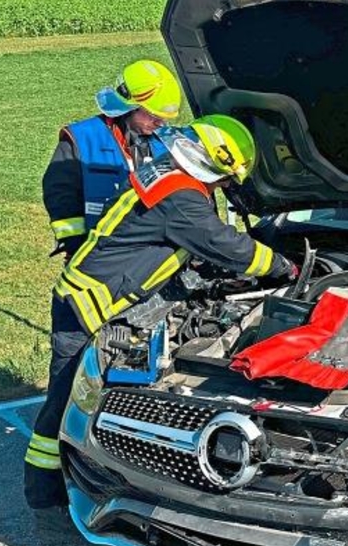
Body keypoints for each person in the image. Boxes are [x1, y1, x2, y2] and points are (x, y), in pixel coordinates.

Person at [25, 115, 299, 512]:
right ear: (210, 163)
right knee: (65, 400)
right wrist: (282, 266)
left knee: (84, 395)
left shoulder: (168, 173)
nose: (226, 187)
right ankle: (44, 496)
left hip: (94, 292)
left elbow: (178, 241)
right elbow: (227, 245)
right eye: (226, 179)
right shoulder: (181, 198)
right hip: (89, 304)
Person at [42, 60, 182, 259]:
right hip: (97, 253)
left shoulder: (167, 144)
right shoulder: (82, 139)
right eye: (152, 115)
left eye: (164, 118)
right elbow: (60, 194)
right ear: (130, 107)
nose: (160, 123)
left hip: (151, 255)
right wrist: (76, 245)